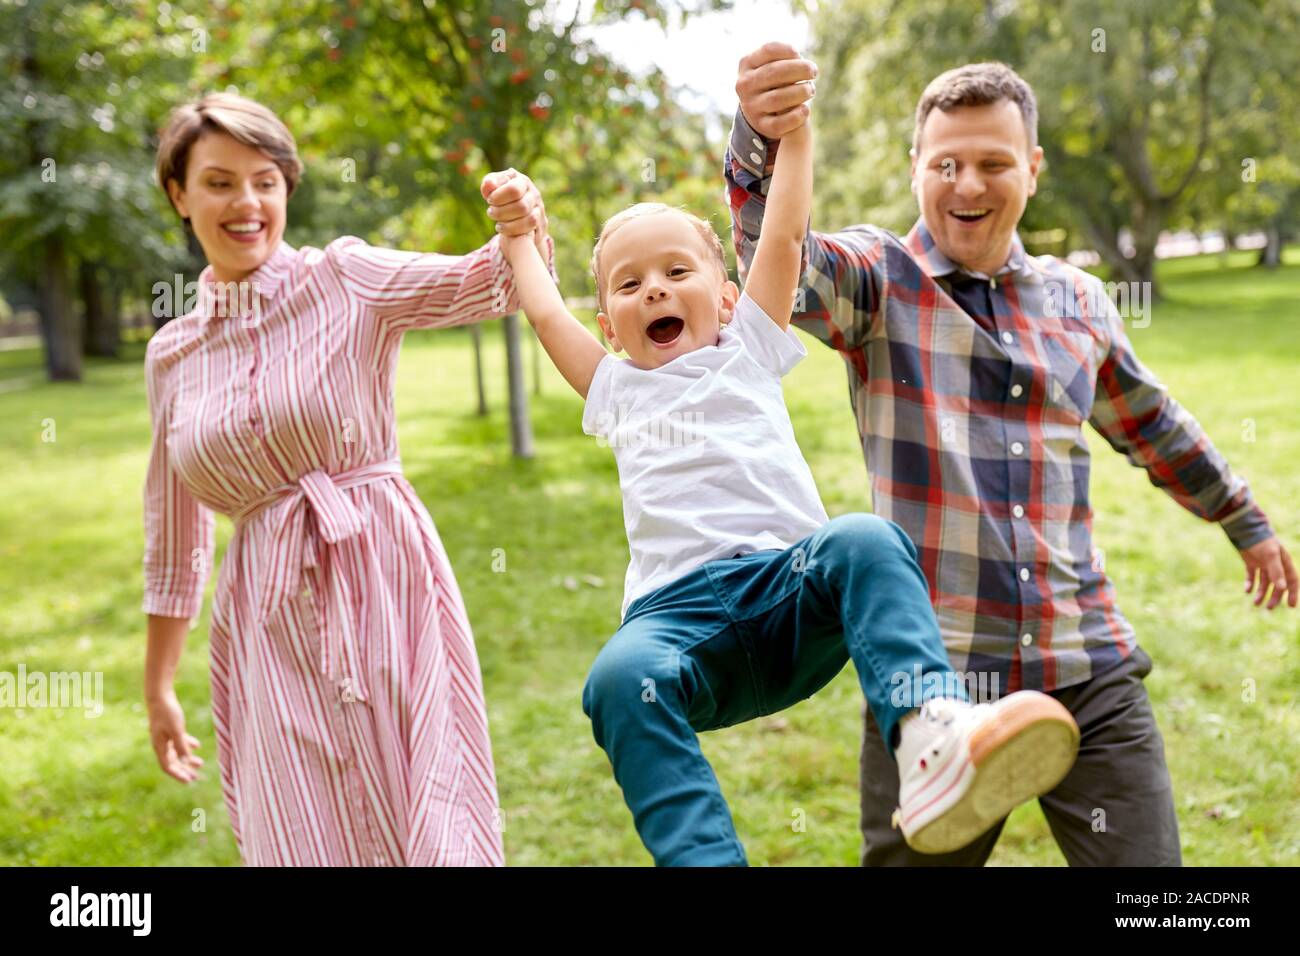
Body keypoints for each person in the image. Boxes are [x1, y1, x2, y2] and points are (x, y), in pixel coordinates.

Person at [725, 45, 1298, 866]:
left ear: (1030, 168)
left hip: (1085, 661)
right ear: (915, 165)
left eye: (992, 162)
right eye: (946, 162)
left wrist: (1243, 519)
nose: (967, 185)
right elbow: (772, 257)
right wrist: (759, 136)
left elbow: (1153, 424)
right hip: (935, 686)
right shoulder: (880, 283)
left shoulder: (1077, 300)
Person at [483, 103, 1079, 866]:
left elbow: (786, 233)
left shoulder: (749, 346)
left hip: (787, 592)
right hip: (681, 621)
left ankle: (931, 735)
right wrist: (517, 235)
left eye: (676, 271)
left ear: (726, 297)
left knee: (863, 537)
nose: (656, 291)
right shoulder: (615, 387)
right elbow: (539, 310)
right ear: (608, 326)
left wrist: (796, 133)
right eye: (629, 285)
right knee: (617, 677)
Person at [143, 91, 551, 866]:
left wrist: (519, 218)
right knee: (302, 832)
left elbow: (491, 282)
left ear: (288, 186)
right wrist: (159, 686)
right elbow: (175, 539)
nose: (247, 202)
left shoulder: (346, 277)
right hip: (264, 617)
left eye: (266, 180)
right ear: (179, 194)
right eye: (220, 181)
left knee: (424, 811)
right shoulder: (171, 356)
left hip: (382, 577)